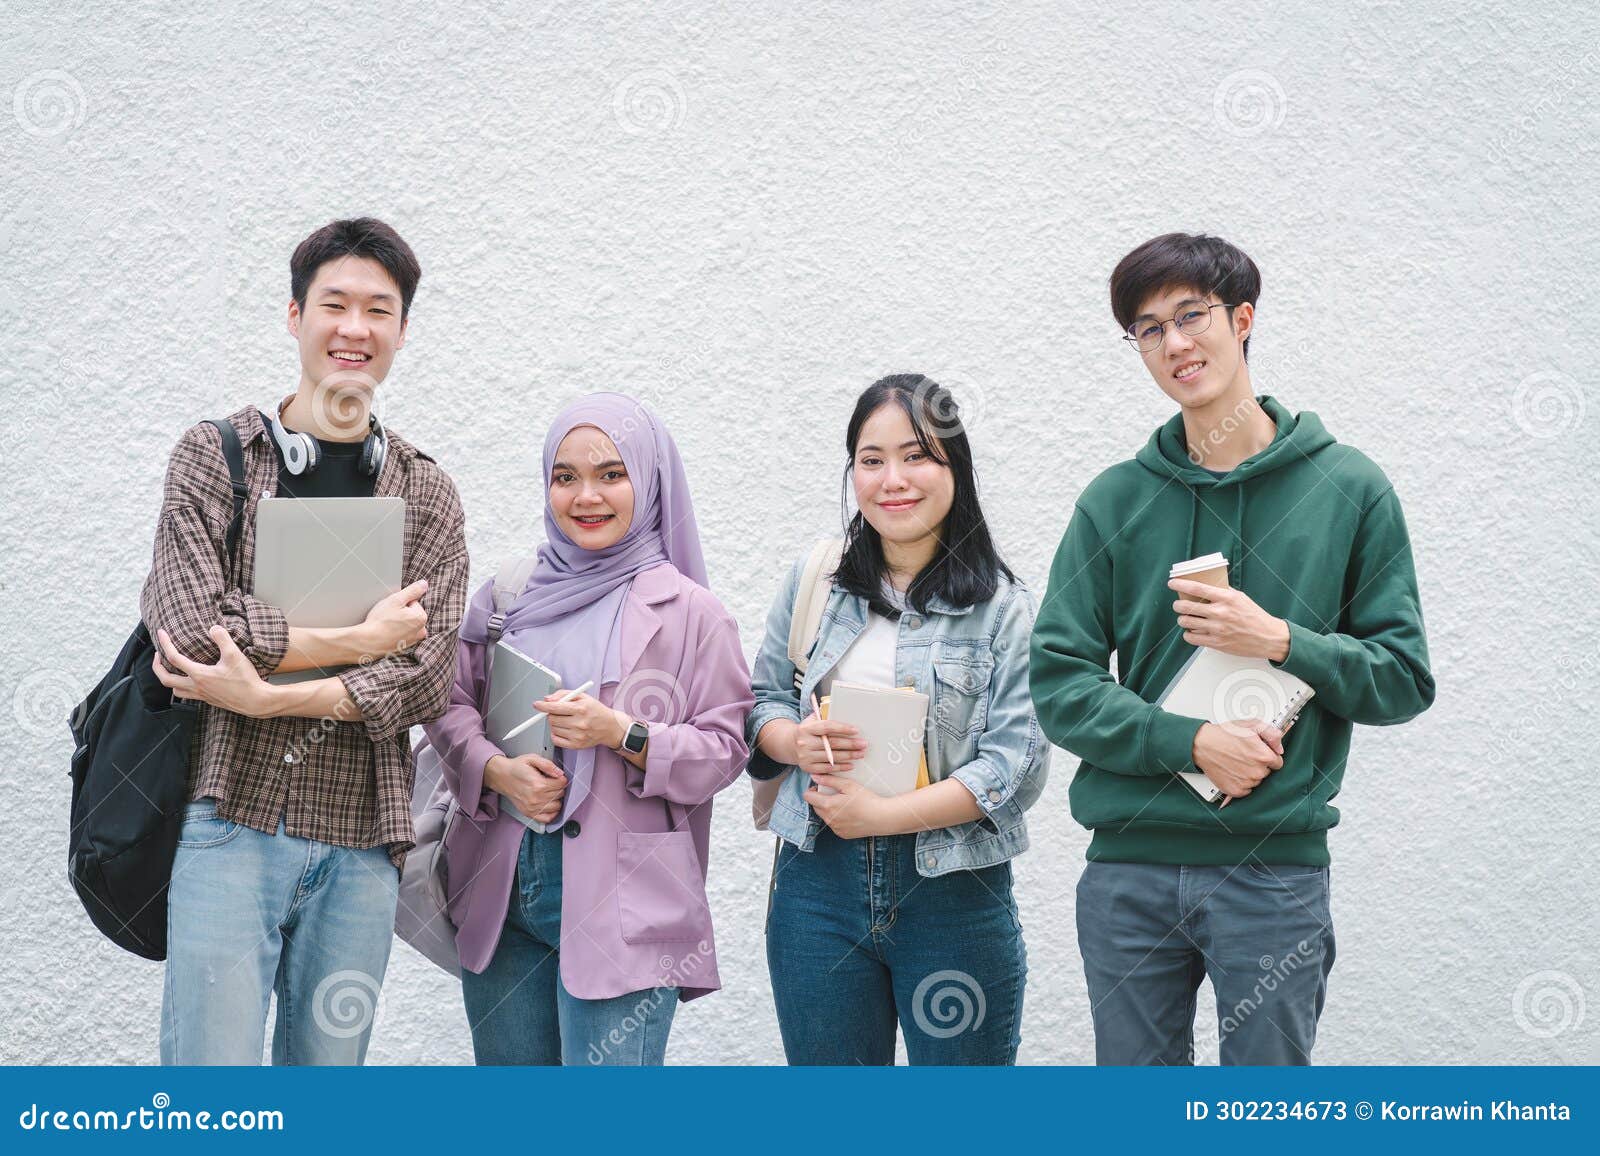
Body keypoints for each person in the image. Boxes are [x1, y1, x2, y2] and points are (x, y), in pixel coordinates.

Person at [1030, 231, 1436, 1065]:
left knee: (1265, 1122)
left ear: (1242, 319)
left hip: (1274, 873)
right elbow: (1060, 680)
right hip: (1129, 872)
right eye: (1148, 329)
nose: (1175, 343)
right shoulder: (1112, 502)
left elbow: (1401, 679)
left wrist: (1283, 642)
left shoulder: (1350, 489)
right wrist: (1193, 743)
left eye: (1192, 315)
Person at [144, 217, 468, 1064]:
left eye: (378, 310)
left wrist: (267, 692)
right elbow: (189, 631)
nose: (354, 328)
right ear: (295, 315)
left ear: (402, 330)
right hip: (228, 818)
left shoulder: (426, 492)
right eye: (334, 304)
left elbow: (427, 678)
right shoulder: (216, 457)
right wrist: (362, 636)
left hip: (362, 839)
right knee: (208, 1097)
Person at [423, 393, 753, 1066]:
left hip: (624, 904)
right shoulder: (510, 594)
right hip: (505, 891)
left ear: (649, 477)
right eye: (565, 476)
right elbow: (447, 701)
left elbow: (725, 750)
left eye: (610, 473)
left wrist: (621, 733)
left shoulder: (694, 614)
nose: (586, 495)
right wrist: (494, 770)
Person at [747, 374, 1049, 1065]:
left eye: (917, 456)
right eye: (871, 459)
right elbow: (760, 703)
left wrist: (882, 817)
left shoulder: (1004, 607)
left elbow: (1015, 767)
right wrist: (794, 740)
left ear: (954, 467)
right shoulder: (814, 581)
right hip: (816, 886)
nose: (894, 479)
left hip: (953, 895)